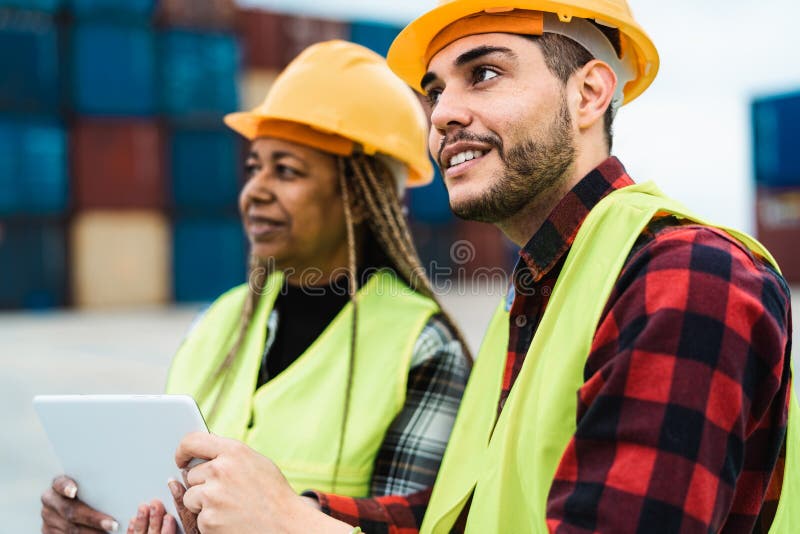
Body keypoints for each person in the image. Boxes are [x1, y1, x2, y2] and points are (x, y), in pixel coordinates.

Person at [130, 1, 799, 533]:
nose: (443, 112)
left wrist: (290, 526)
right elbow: (459, 515)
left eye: (484, 73)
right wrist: (247, 509)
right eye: (435, 90)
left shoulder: (688, 278)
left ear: (590, 93)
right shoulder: (540, 292)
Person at [39, 40, 472, 534]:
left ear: (357, 197)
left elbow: (411, 524)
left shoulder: (422, 349)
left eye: (285, 171)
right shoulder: (217, 320)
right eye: (253, 168)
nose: (255, 191)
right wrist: (95, 520)